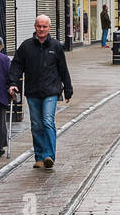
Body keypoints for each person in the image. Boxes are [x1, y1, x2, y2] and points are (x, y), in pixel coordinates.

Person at [9, 15, 73, 170]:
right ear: (35, 27)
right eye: (39, 26)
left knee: (48, 121)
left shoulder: (56, 46)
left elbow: (63, 68)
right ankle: (39, 157)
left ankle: (49, 155)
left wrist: (68, 89)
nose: (42, 29)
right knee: (36, 125)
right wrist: (12, 84)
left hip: (51, 90)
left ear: (49, 28)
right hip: (32, 91)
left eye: (44, 27)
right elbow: (16, 66)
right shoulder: (26, 46)